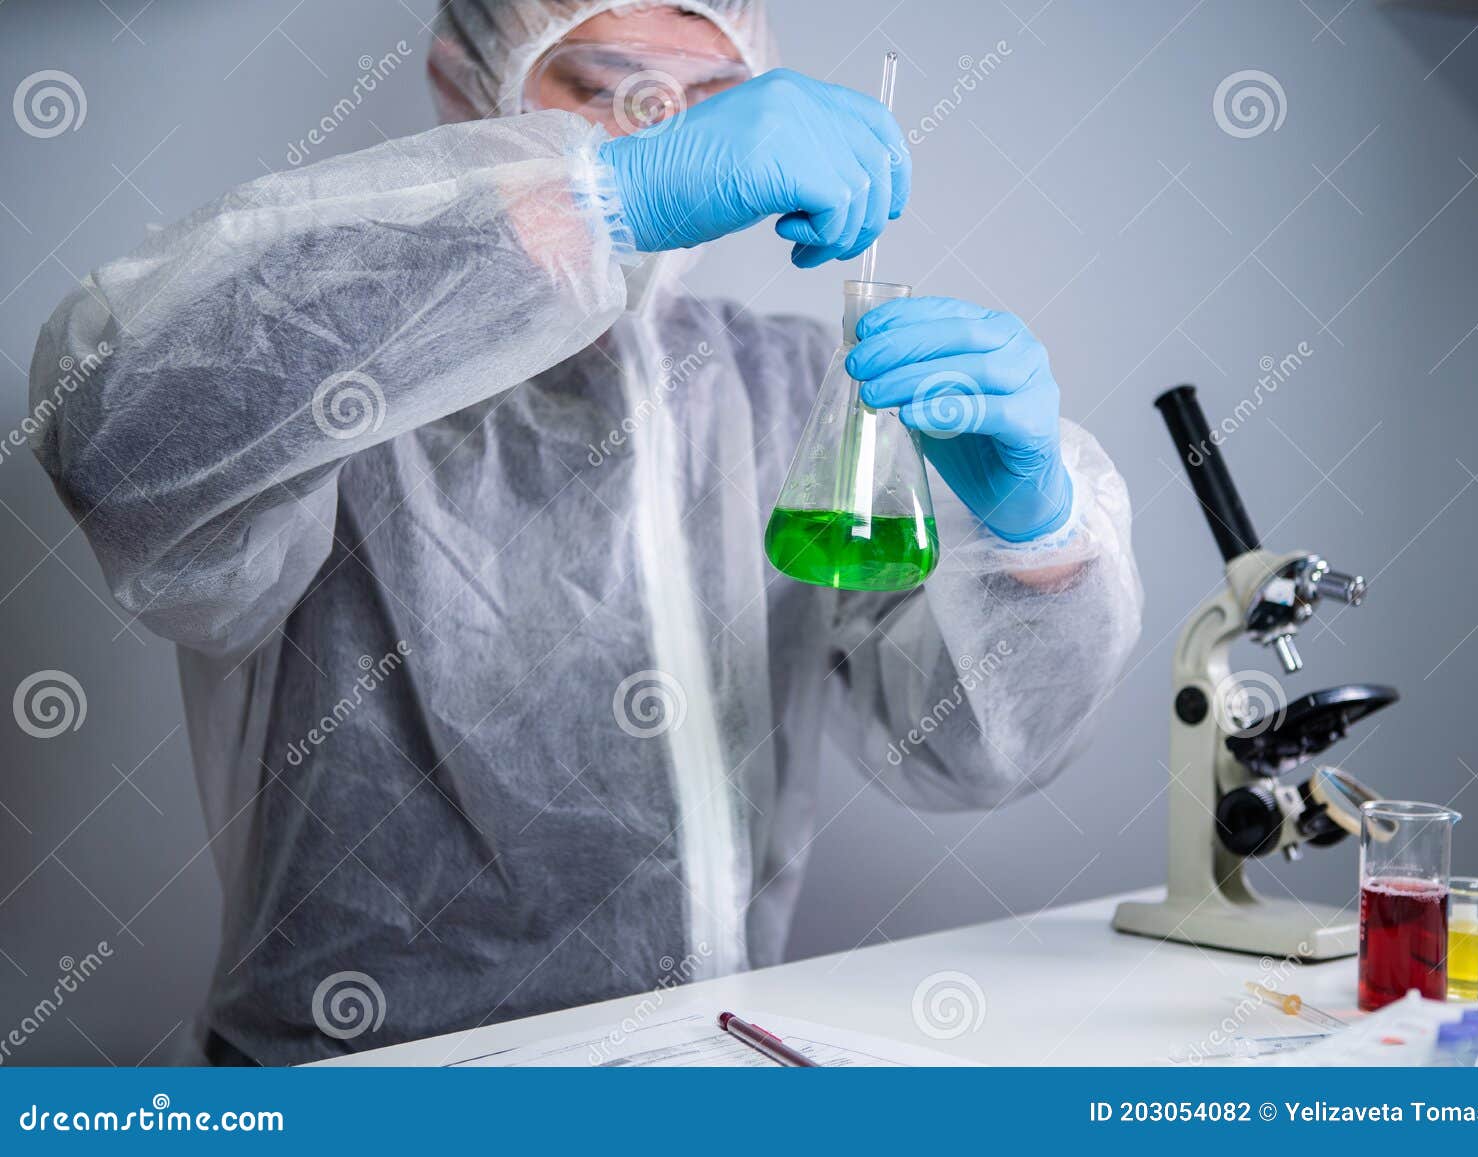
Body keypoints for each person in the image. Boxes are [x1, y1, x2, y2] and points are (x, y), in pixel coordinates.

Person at [29, 0, 1142, 1065]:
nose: (673, 129)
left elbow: (966, 749)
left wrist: (1032, 535)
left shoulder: (789, 387)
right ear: (470, 86)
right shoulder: (344, 375)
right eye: (613, 91)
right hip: (358, 1083)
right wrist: (602, 200)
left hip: (699, 1066)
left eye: (713, 99)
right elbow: (118, 433)